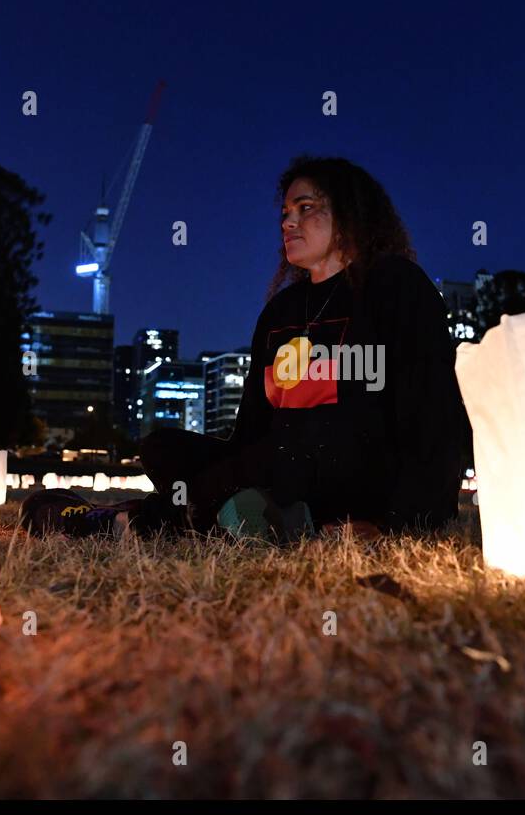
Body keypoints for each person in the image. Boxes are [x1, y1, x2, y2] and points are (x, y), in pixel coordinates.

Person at [23, 155, 470, 541]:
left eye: (306, 208)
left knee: (300, 439)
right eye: (285, 212)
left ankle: (124, 521)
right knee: (163, 447)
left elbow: (434, 414)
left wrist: (401, 519)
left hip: (362, 471)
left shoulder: (395, 286)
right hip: (283, 468)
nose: (288, 222)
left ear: (351, 216)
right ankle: (261, 518)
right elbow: (252, 430)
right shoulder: (282, 312)